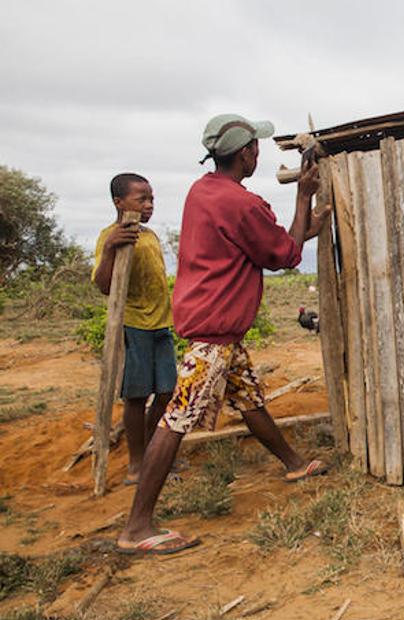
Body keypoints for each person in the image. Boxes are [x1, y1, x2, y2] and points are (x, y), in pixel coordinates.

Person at [117, 114, 328, 555]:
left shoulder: (203, 191)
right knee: (177, 419)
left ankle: (292, 463)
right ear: (246, 153)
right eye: (255, 147)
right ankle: (136, 527)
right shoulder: (241, 204)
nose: (257, 153)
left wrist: (306, 223)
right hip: (214, 333)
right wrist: (304, 197)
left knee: (248, 397)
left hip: (216, 326)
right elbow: (285, 254)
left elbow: (270, 246)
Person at [93, 173, 175, 486]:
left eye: (151, 198)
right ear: (119, 202)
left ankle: (155, 451)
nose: (149, 205)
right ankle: (137, 463)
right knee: (137, 396)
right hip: (133, 325)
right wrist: (111, 249)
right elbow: (104, 285)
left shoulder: (150, 235)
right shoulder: (109, 236)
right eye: (141, 199)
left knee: (167, 392)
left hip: (161, 324)